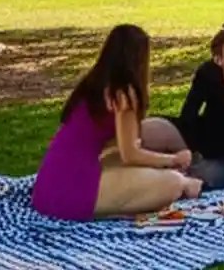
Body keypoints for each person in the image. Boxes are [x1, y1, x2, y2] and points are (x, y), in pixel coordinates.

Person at [32, 24, 201, 220]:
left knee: (139, 169)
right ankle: (186, 185)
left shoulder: (93, 85)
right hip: (73, 193)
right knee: (172, 183)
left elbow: (114, 149)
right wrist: (172, 160)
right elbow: (130, 155)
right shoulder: (123, 93)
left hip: (48, 188)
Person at [141, 24, 224, 190]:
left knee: (208, 174)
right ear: (218, 60)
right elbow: (188, 114)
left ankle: (169, 179)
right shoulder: (208, 73)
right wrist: (186, 150)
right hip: (207, 139)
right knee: (151, 127)